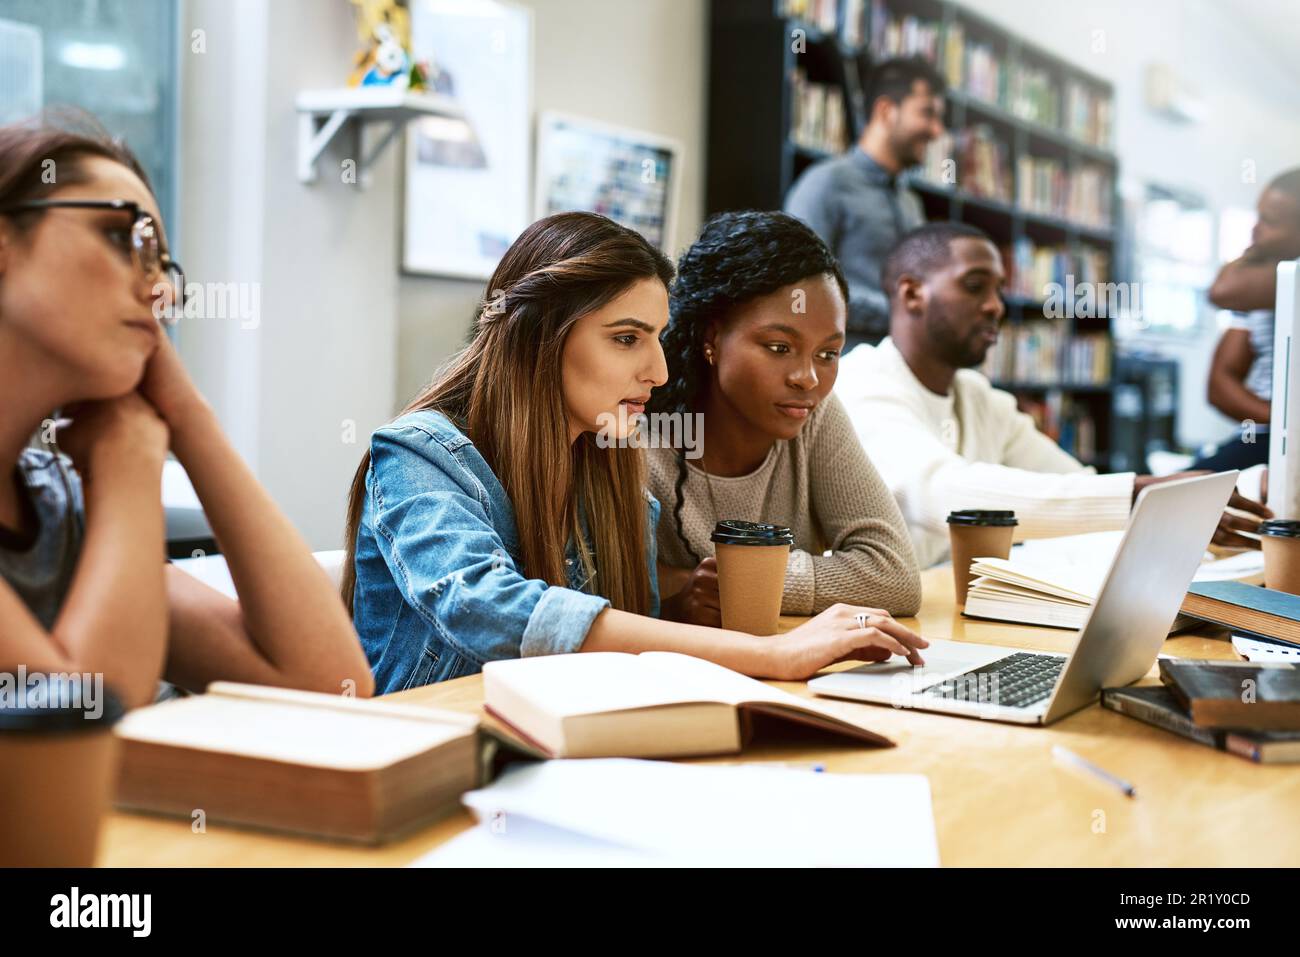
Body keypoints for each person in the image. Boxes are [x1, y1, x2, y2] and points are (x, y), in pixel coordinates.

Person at [343, 211, 927, 693]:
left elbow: (629, 639)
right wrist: (770, 654)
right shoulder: (419, 457)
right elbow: (492, 612)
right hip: (423, 761)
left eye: (656, 337)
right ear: (539, 336)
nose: (658, 370)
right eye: (627, 339)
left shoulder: (605, 460)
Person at [0, 113, 373, 708]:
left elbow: (328, 684)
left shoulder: (54, 511)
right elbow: (75, 744)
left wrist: (186, 415)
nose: (162, 294)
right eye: (126, 238)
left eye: (162, 264)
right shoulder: (109, 477)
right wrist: (130, 460)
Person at [836, 222, 1271, 568]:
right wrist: (1141, 496)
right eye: (974, 286)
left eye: (999, 290)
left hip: (939, 610)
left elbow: (1076, 486)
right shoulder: (862, 382)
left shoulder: (977, 396)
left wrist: (1252, 485)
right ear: (912, 294)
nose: (996, 306)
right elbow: (943, 495)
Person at [647, 211, 920, 627]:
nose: (807, 378)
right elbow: (604, 586)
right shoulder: (638, 429)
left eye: (828, 354)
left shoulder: (814, 416)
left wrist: (746, 583)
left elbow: (895, 577)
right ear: (712, 338)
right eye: (779, 347)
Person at [784, 56, 945, 348]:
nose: (936, 131)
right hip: (844, 373)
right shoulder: (825, 184)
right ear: (886, 111)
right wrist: (901, 312)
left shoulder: (911, 203)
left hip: (904, 367)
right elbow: (800, 287)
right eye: (927, 113)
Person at [1197, 168, 1300, 471]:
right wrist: (1284, 420)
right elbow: (1219, 384)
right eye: (1258, 216)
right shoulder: (1260, 284)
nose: (1256, 229)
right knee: (1178, 489)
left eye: (1270, 222)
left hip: (1280, 441)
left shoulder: (1287, 276)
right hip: (1269, 436)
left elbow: (1221, 290)